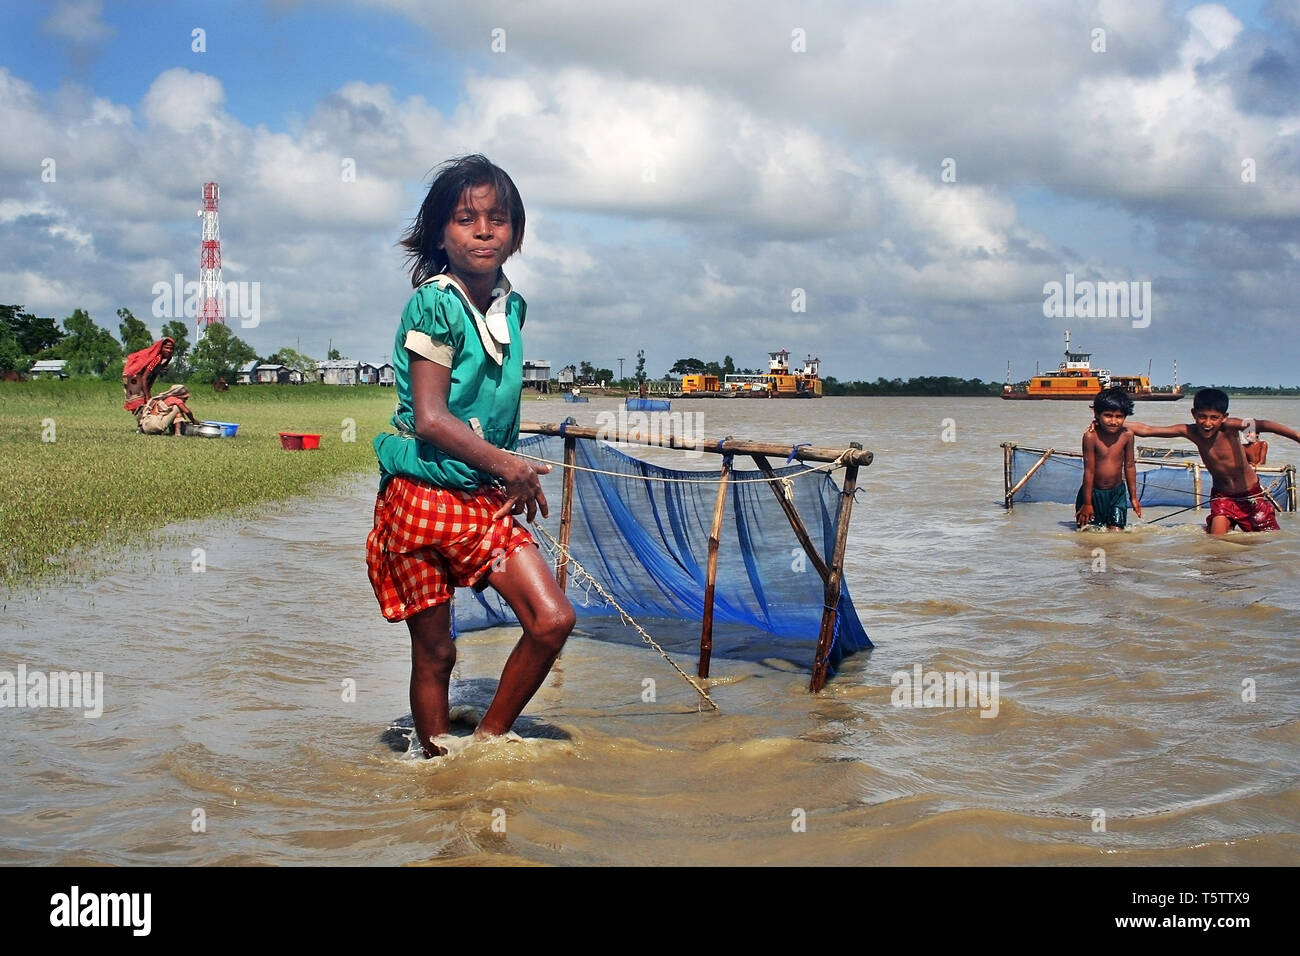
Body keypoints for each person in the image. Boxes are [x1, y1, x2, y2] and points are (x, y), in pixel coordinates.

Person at [367, 155, 575, 758]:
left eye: (497, 219)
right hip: (421, 494)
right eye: (465, 219)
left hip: (480, 494)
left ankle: (485, 746)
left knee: (551, 620)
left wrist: (509, 471)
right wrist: (506, 464)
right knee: (436, 651)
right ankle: (435, 767)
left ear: (515, 234)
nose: (483, 231)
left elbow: (496, 413)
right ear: (440, 233)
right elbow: (431, 419)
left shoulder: (512, 307)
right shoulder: (434, 304)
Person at [1126, 388, 1300, 533]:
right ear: (1193, 414)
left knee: (1268, 541)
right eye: (1202, 416)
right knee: (1216, 543)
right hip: (1222, 497)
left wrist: (1297, 436)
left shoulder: (1231, 427)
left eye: (1214, 418)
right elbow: (1147, 429)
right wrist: (1106, 423)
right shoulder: (1190, 431)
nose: (1207, 423)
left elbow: (1265, 425)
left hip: (1250, 495)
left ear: (1224, 417)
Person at [1076, 387, 1142, 529]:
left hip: (1117, 493)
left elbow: (1129, 466)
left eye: (1119, 416)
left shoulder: (1127, 435)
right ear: (1097, 414)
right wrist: (1087, 504)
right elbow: (1089, 471)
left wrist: (1133, 498)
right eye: (1108, 415)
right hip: (1093, 493)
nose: (1113, 421)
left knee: (1116, 534)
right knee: (1089, 535)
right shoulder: (1091, 436)